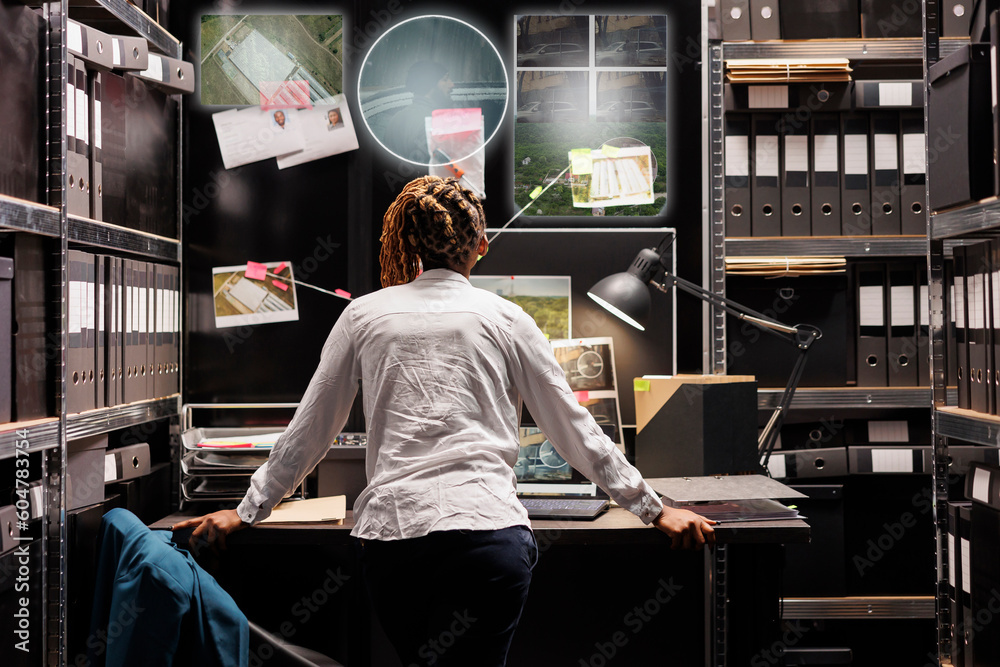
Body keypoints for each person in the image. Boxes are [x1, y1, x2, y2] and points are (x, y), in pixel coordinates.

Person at [174, 176, 715, 667]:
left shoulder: (364, 315)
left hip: (396, 544)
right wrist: (652, 509)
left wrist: (246, 512)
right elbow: (572, 426)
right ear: (481, 246)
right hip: (489, 543)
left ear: (405, 242)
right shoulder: (507, 318)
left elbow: (310, 429)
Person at [382, 61, 454, 163]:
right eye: (445, 79)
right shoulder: (434, 122)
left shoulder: (396, 118)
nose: (452, 84)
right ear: (430, 84)